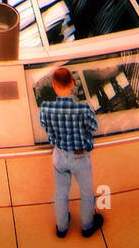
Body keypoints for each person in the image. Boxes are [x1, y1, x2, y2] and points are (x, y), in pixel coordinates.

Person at [39, 66, 103, 238]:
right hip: (80, 157)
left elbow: (45, 126)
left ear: (53, 85)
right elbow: (93, 127)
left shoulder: (46, 109)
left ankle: (61, 228)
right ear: (73, 83)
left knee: (60, 193)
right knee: (86, 193)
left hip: (59, 156)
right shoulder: (83, 109)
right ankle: (87, 226)